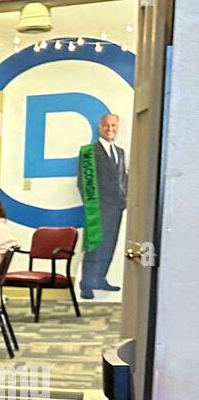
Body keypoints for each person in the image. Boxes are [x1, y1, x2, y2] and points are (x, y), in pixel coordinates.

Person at [78, 112, 128, 299]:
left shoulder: (120, 152)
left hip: (116, 208)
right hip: (97, 209)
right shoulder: (89, 151)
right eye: (107, 125)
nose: (110, 129)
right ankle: (86, 284)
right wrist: (93, 205)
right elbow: (83, 182)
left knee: (109, 245)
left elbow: (122, 178)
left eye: (114, 126)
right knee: (94, 246)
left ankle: (100, 279)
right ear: (100, 127)